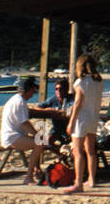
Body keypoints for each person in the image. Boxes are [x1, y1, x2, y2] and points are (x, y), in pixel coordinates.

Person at [63, 53, 104, 194]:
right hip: (93, 117)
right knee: (91, 150)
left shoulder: (81, 81)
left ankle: (78, 182)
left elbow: (78, 102)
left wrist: (71, 121)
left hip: (82, 118)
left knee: (77, 151)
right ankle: (92, 179)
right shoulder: (98, 81)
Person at [0, 77, 44, 184]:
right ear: (29, 90)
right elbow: (25, 123)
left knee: (38, 141)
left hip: (13, 135)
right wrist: (37, 135)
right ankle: (29, 176)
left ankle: (37, 170)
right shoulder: (20, 102)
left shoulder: (16, 99)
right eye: (33, 91)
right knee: (40, 144)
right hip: (12, 137)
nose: (33, 93)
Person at [29, 77, 74, 145]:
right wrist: (46, 110)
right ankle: (60, 154)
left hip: (71, 128)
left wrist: (58, 111)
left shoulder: (72, 98)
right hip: (57, 129)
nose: (58, 91)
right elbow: (37, 107)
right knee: (45, 143)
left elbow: (74, 109)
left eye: (61, 89)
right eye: (56, 89)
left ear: (66, 89)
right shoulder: (53, 99)